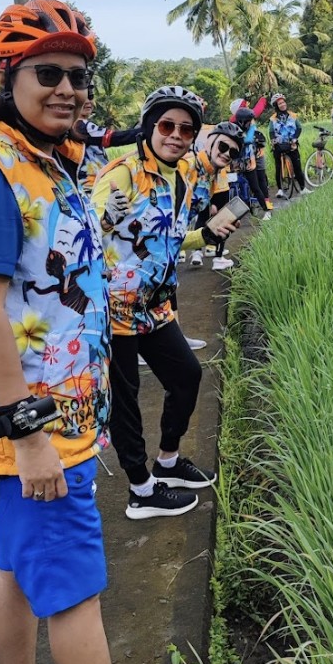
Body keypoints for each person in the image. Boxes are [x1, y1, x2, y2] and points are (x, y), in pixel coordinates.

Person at [0, 0, 225, 664]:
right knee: (71, 585)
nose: (68, 88)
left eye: (78, 75)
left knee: (17, 571)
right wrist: (30, 434)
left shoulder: (49, 160)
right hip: (24, 430)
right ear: (6, 77)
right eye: (47, 73)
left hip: (42, 418)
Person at [91, 87, 239, 522]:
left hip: (155, 306)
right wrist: (104, 218)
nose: (176, 135)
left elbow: (171, 241)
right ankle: (140, 489)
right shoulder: (121, 174)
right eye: (167, 125)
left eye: (186, 129)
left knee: (187, 376)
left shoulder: (183, 177)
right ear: (149, 127)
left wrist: (208, 235)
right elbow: (87, 227)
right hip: (116, 309)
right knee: (126, 398)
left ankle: (168, 462)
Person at [183, 121, 245, 273]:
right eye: (222, 146)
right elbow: (159, 234)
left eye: (233, 153)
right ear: (209, 142)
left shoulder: (211, 175)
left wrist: (206, 235)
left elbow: (172, 236)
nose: (226, 154)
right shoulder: (186, 167)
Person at [72, 90, 140, 196]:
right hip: (90, 187)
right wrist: (146, 131)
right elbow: (115, 138)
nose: (88, 101)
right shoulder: (80, 125)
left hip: (96, 183)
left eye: (90, 97)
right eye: (82, 97)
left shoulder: (78, 126)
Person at [233, 107, 273, 219]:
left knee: (257, 186)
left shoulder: (253, 130)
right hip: (236, 161)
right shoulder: (234, 128)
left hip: (251, 161)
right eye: (250, 120)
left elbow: (253, 144)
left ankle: (267, 209)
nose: (251, 122)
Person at [268, 92, 309, 196]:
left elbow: (299, 128)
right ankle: (280, 189)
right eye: (280, 103)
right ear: (276, 106)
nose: (282, 104)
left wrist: (295, 138)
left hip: (291, 144)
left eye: (283, 102)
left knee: (297, 166)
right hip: (279, 145)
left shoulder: (292, 115)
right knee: (278, 167)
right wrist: (273, 140)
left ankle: (303, 188)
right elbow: (271, 132)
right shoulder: (273, 119)